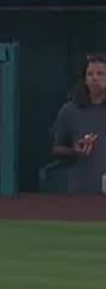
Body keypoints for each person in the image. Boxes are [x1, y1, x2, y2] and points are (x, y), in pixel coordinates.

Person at [48, 55, 106, 194]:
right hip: (82, 189)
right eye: (90, 74)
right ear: (85, 79)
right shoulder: (70, 111)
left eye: (100, 74)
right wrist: (75, 150)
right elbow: (56, 148)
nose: (95, 78)